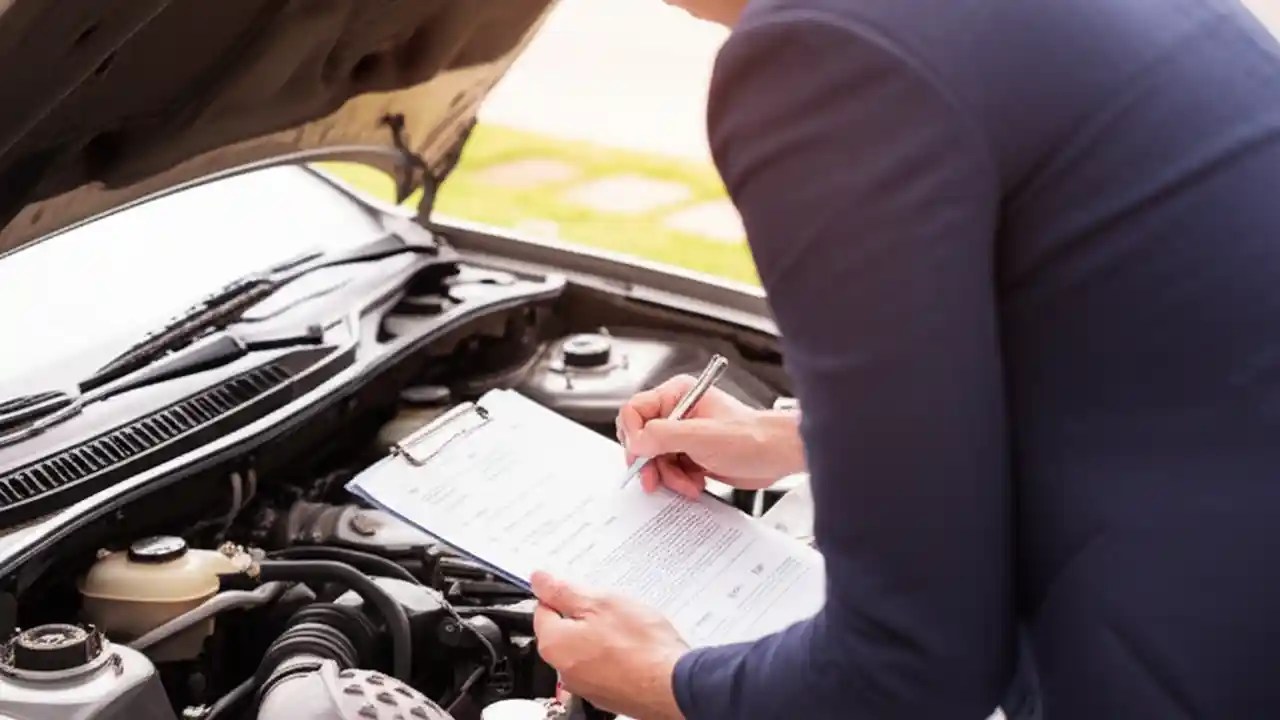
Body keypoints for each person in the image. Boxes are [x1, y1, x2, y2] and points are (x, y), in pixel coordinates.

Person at [529, 0, 1280, 717]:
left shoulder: (818, 52)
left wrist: (668, 682)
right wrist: (802, 440)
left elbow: (911, 668)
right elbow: (1145, 342)